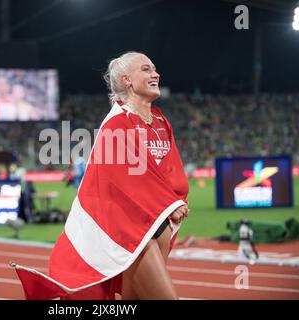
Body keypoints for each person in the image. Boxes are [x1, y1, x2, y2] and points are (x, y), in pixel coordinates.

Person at [12, 51, 190, 300]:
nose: (155, 74)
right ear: (127, 80)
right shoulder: (116, 123)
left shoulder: (161, 121)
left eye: (155, 69)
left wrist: (176, 199)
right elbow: (126, 177)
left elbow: (171, 169)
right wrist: (168, 203)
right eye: (146, 69)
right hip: (129, 231)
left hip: (157, 225)